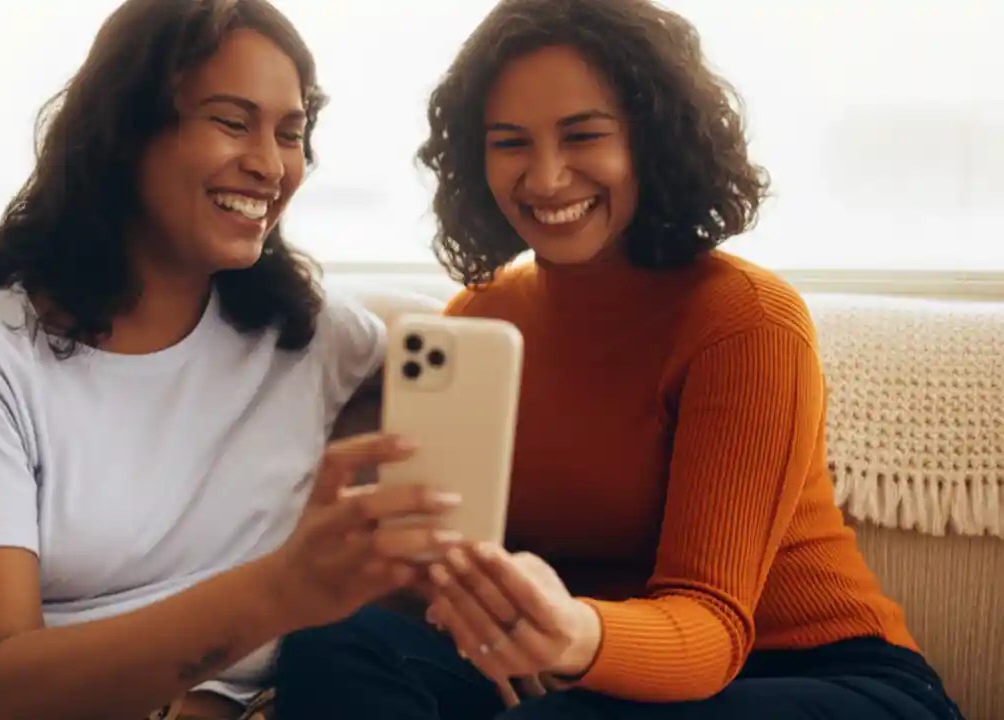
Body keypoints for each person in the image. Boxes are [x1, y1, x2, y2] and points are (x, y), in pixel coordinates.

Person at [272, 1, 965, 718]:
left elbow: (711, 630)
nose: (544, 179)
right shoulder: (480, 322)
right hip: (584, 674)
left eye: (583, 136)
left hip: (825, 677)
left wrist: (573, 635)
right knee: (338, 641)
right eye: (510, 143)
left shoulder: (744, 320)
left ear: (653, 140)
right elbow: (455, 572)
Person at [0, 1, 464, 718]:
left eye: (291, 133)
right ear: (124, 132)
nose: (271, 165)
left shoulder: (313, 339)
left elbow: (466, 369)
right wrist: (277, 592)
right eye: (232, 122)